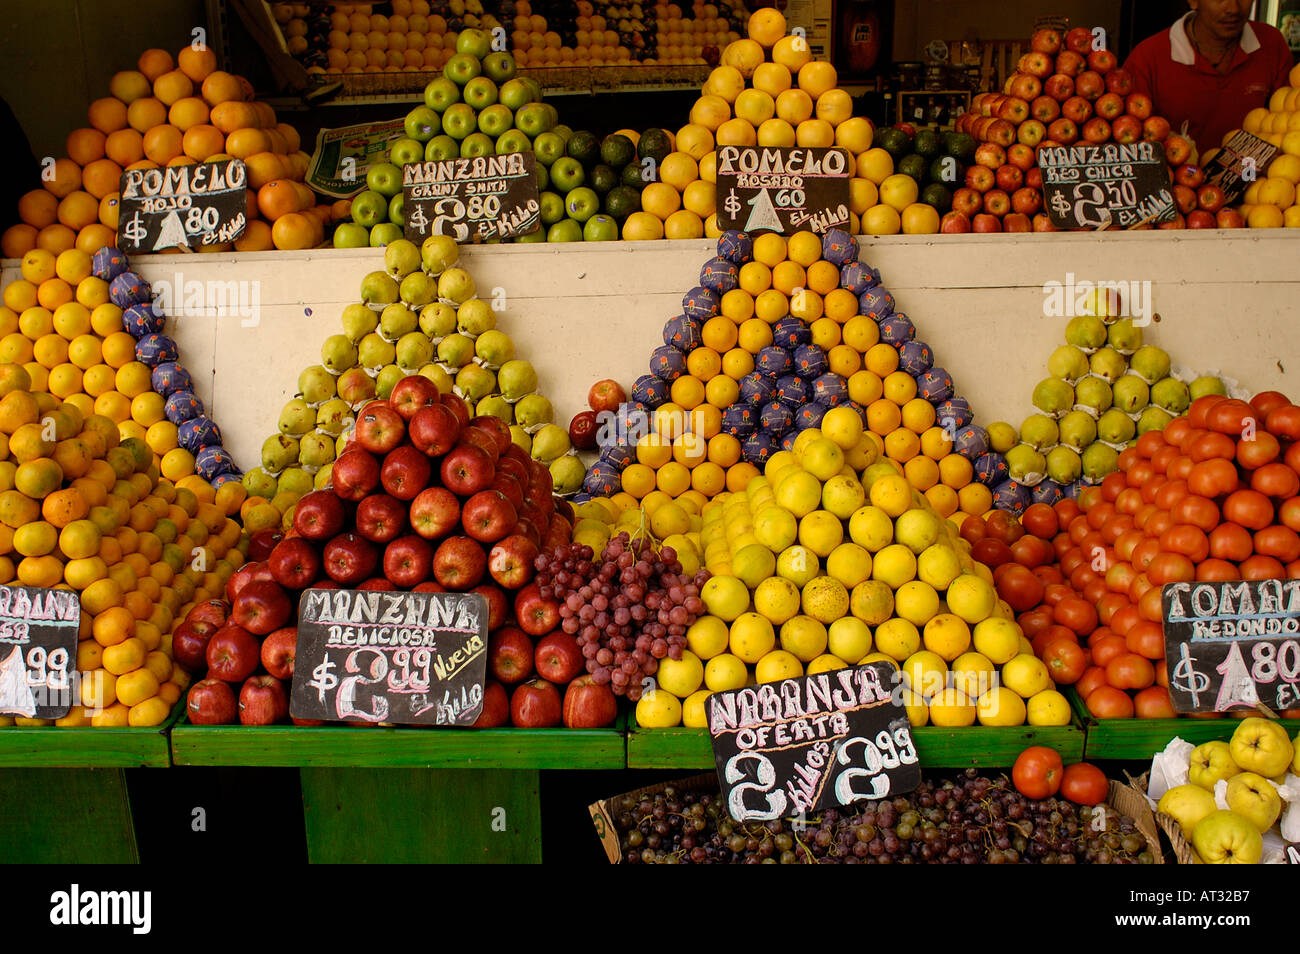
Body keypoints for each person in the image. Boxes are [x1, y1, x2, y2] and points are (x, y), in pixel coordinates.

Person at [1123, 0, 1293, 154]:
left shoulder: (1272, 45)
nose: (1233, 8)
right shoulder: (1147, 58)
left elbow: (1289, 124)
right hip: (1177, 184)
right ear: (1193, 1)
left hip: (1260, 183)